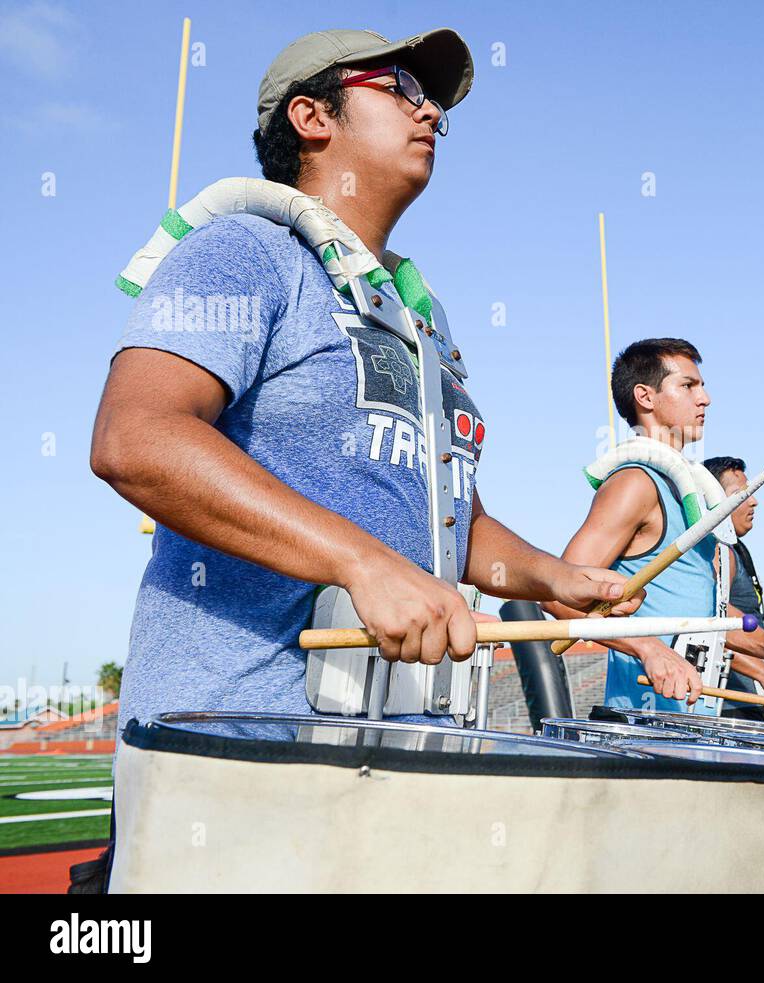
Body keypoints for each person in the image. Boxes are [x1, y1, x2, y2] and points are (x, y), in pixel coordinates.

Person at [91, 27, 644, 736]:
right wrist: (361, 562)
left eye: (436, 104)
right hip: (230, 740)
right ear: (312, 117)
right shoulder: (243, 249)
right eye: (401, 89)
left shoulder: (417, 317)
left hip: (394, 736)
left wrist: (552, 575)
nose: (430, 113)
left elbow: (449, 520)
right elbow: (134, 438)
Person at [545, 339, 764, 711]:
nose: (705, 398)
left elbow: (708, 616)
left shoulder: (691, 493)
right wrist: (645, 646)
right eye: (688, 386)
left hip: (695, 719)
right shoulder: (635, 484)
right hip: (644, 726)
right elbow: (557, 591)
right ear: (646, 397)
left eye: (702, 386)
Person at [701, 457, 764, 719]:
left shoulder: (735, 548)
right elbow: (709, 624)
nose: (754, 501)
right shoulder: (715, 550)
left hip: (746, 698)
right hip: (724, 706)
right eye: (741, 494)